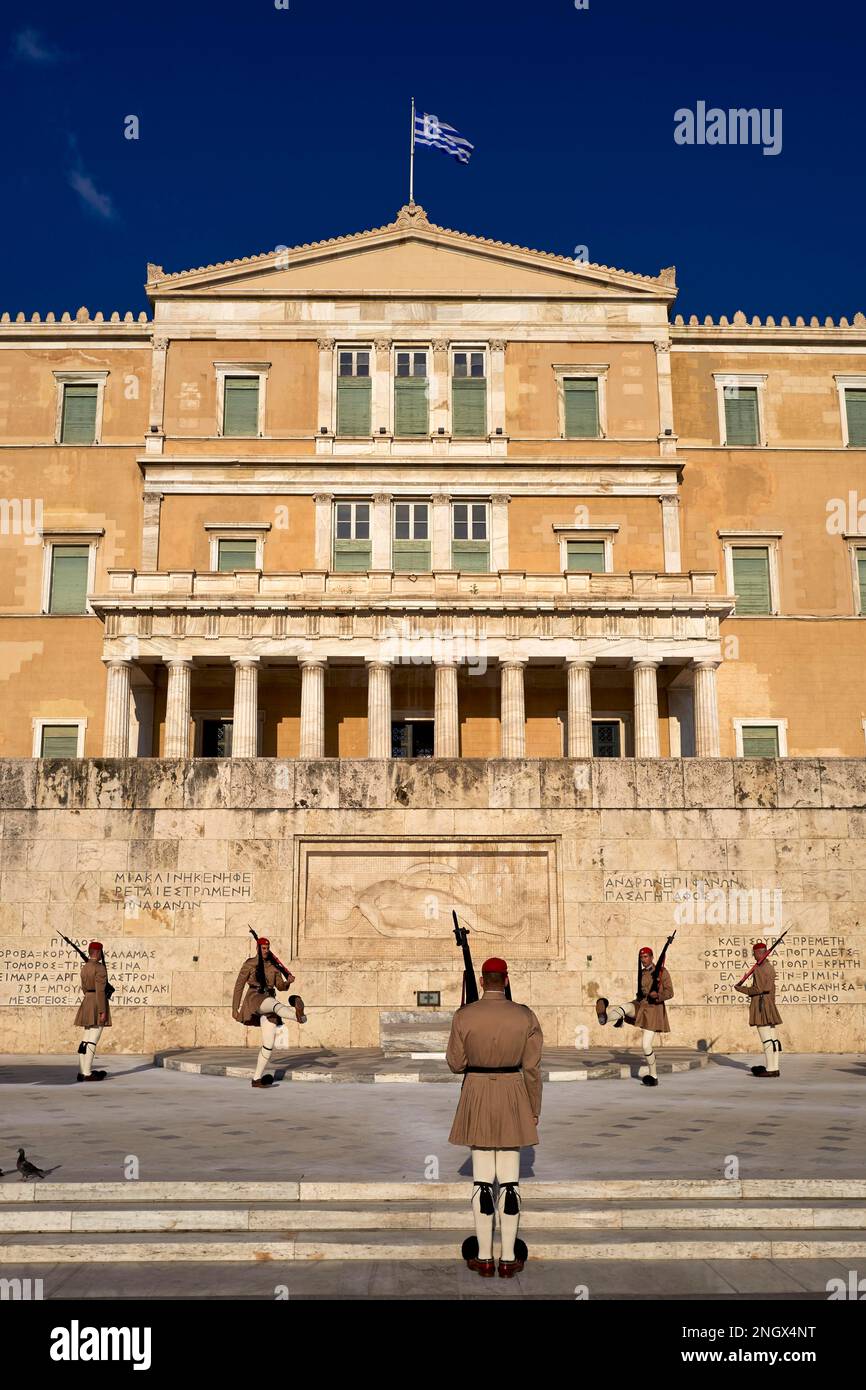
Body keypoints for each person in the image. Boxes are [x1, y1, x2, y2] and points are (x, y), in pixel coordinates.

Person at [446, 957, 543, 1279]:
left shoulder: (464, 1015)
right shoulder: (524, 1015)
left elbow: (455, 1063)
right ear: (505, 979)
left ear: (483, 980)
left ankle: (485, 1257)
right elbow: (532, 1068)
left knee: (483, 1182)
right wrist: (533, 1108)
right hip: (514, 1091)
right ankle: (510, 1257)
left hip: (477, 1091)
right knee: (511, 1184)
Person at [232, 938, 306, 1088]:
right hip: (255, 998)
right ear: (258, 948)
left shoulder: (273, 966)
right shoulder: (250, 964)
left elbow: (280, 987)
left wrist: (288, 982)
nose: (266, 951)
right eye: (263, 948)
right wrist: (235, 1008)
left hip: (270, 999)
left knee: (268, 1044)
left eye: (267, 948)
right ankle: (296, 1015)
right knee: (274, 1005)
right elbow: (239, 986)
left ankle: (256, 1079)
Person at [595, 945, 674, 1086]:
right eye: (641, 957)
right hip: (640, 1005)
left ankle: (653, 1076)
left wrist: (658, 995)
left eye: (646, 957)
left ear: (652, 957)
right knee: (626, 1007)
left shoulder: (662, 972)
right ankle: (605, 1018)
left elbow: (670, 993)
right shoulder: (642, 973)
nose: (643, 960)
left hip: (653, 1011)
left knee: (646, 1046)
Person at [735, 941, 783, 1077]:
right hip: (769, 1003)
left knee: (766, 1039)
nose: (753, 955)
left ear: (759, 953)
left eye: (754, 953)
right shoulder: (769, 966)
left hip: (761, 1004)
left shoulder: (760, 968)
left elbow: (759, 989)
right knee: (773, 1038)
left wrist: (742, 989)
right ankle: (774, 1067)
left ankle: (769, 1069)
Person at [73, 941, 111, 1082]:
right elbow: (101, 991)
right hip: (96, 1002)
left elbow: (83, 987)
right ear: (99, 953)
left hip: (87, 1000)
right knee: (93, 1040)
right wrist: (102, 1010)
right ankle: (88, 1073)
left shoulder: (85, 967)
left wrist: (89, 997)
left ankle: (82, 1071)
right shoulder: (100, 968)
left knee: (85, 1039)